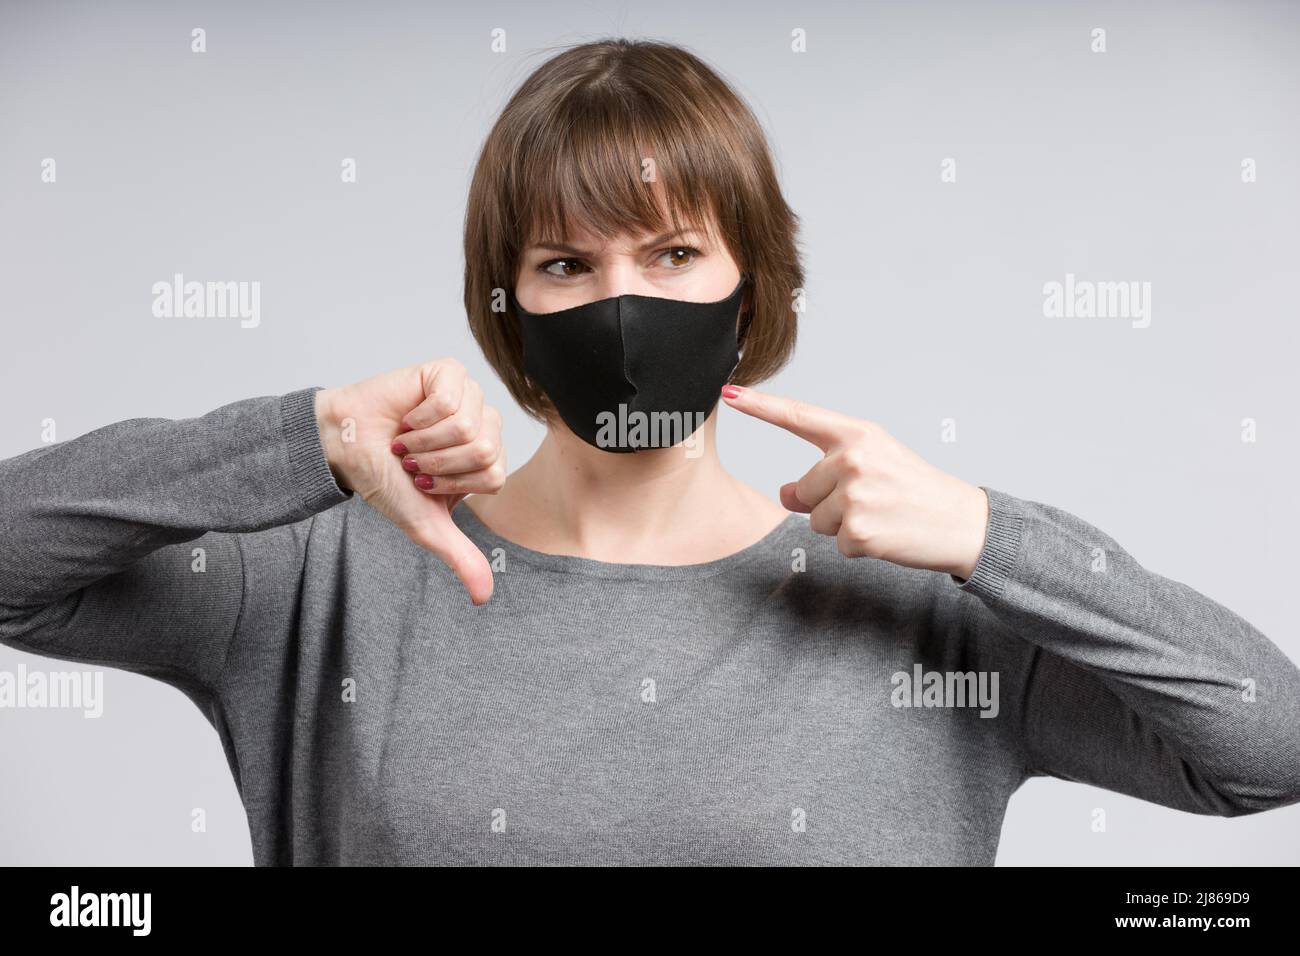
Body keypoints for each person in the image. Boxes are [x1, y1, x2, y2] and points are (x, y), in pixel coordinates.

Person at [2, 38, 1298, 866]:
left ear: (750, 286)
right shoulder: (315, 584)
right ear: (504, 301)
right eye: (566, 263)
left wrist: (994, 537)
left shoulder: (928, 608)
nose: (623, 307)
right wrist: (310, 437)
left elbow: (1270, 748)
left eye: (673, 254)